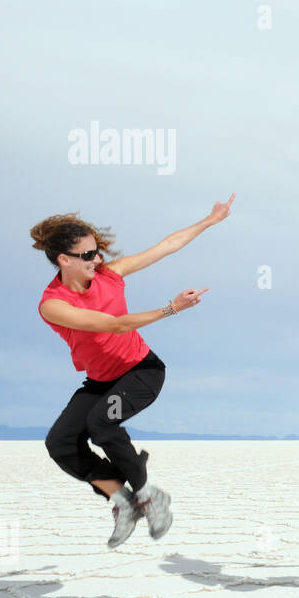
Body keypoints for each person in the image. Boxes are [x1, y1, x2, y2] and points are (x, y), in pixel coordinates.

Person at [33, 195, 234, 548]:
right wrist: (171, 308)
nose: (97, 259)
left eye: (98, 252)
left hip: (142, 372)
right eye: (87, 255)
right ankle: (123, 500)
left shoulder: (110, 274)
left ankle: (149, 495)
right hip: (101, 381)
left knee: (101, 424)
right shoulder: (54, 304)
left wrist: (209, 220)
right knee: (60, 443)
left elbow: (165, 247)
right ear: (64, 260)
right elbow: (115, 325)